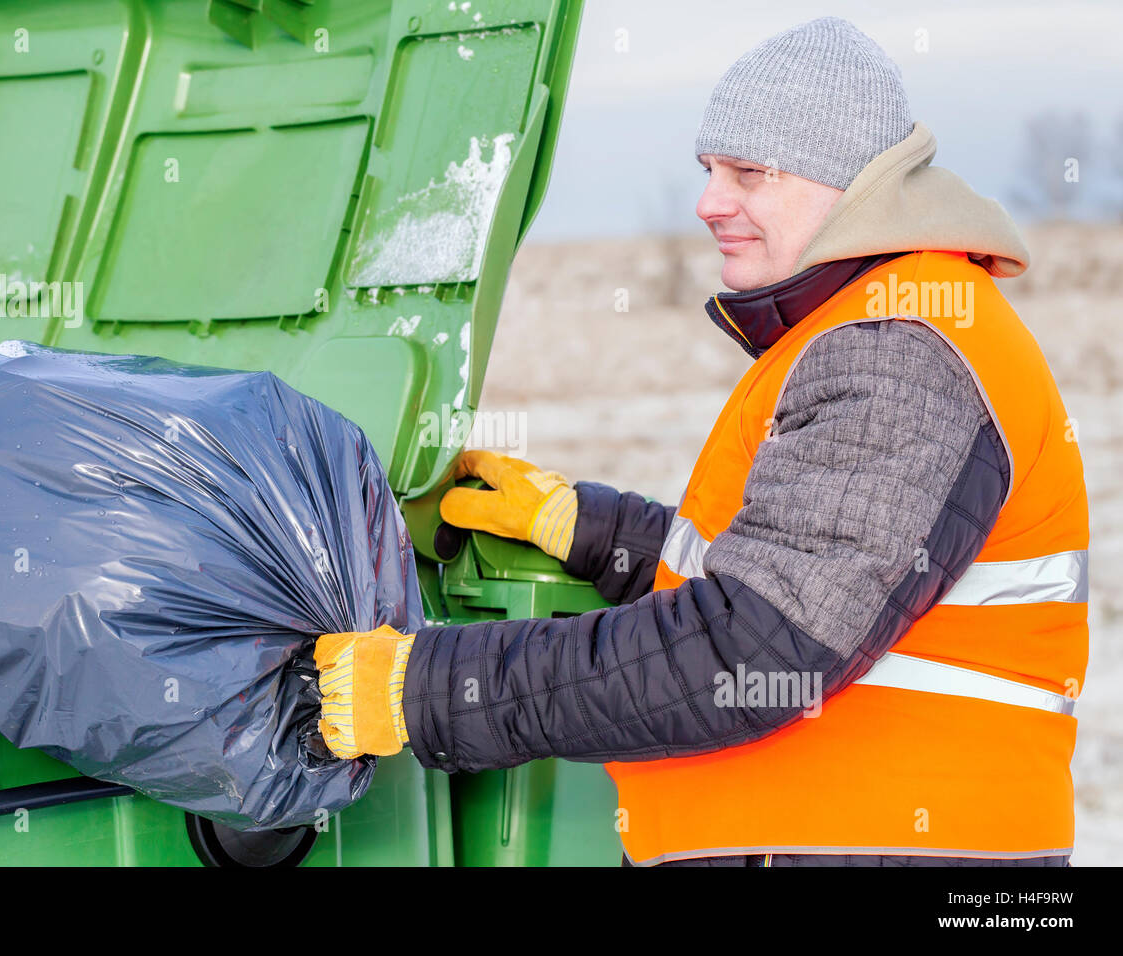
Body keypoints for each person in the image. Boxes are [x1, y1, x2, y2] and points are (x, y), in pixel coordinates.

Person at [313, 16, 1088, 867]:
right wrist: (596, 532)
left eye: (749, 173)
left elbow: (752, 646)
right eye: (709, 170)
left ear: (850, 185)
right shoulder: (865, 326)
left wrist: (429, 688)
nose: (709, 202)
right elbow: (805, 572)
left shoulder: (902, 347)